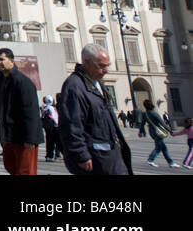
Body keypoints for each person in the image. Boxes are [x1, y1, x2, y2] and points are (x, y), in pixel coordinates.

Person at [57, 43, 131, 176]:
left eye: (107, 66)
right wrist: (81, 154)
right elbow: (71, 124)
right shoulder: (75, 86)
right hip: (96, 157)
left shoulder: (96, 83)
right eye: (101, 66)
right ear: (87, 62)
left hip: (108, 153)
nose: (106, 70)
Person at [0, 48, 43, 175]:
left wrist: (30, 138)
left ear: (12, 61)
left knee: (25, 171)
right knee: (11, 168)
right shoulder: (0, 80)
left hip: (23, 137)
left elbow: (31, 111)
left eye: (2, 59)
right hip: (8, 135)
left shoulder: (22, 82)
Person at [142, 99, 176, 168]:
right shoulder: (154, 113)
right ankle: (151, 159)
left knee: (164, 148)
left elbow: (142, 124)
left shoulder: (145, 114)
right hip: (158, 132)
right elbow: (162, 123)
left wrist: (141, 132)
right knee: (158, 148)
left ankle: (171, 163)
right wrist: (170, 130)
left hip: (152, 132)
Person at [41, 96, 59, 161]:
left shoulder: (44, 108)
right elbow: (55, 118)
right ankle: (56, 155)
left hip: (48, 128)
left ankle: (49, 155)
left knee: (49, 142)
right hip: (54, 127)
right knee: (57, 142)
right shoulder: (51, 108)